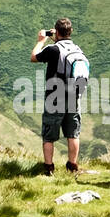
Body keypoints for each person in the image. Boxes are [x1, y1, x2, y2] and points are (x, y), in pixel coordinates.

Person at [31, 18, 87, 175]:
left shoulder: (53, 49)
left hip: (55, 96)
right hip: (74, 95)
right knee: (73, 133)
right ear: (71, 32)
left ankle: (49, 168)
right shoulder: (77, 49)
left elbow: (34, 57)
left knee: (49, 134)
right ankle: (72, 166)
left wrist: (41, 40)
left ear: (57, 31)